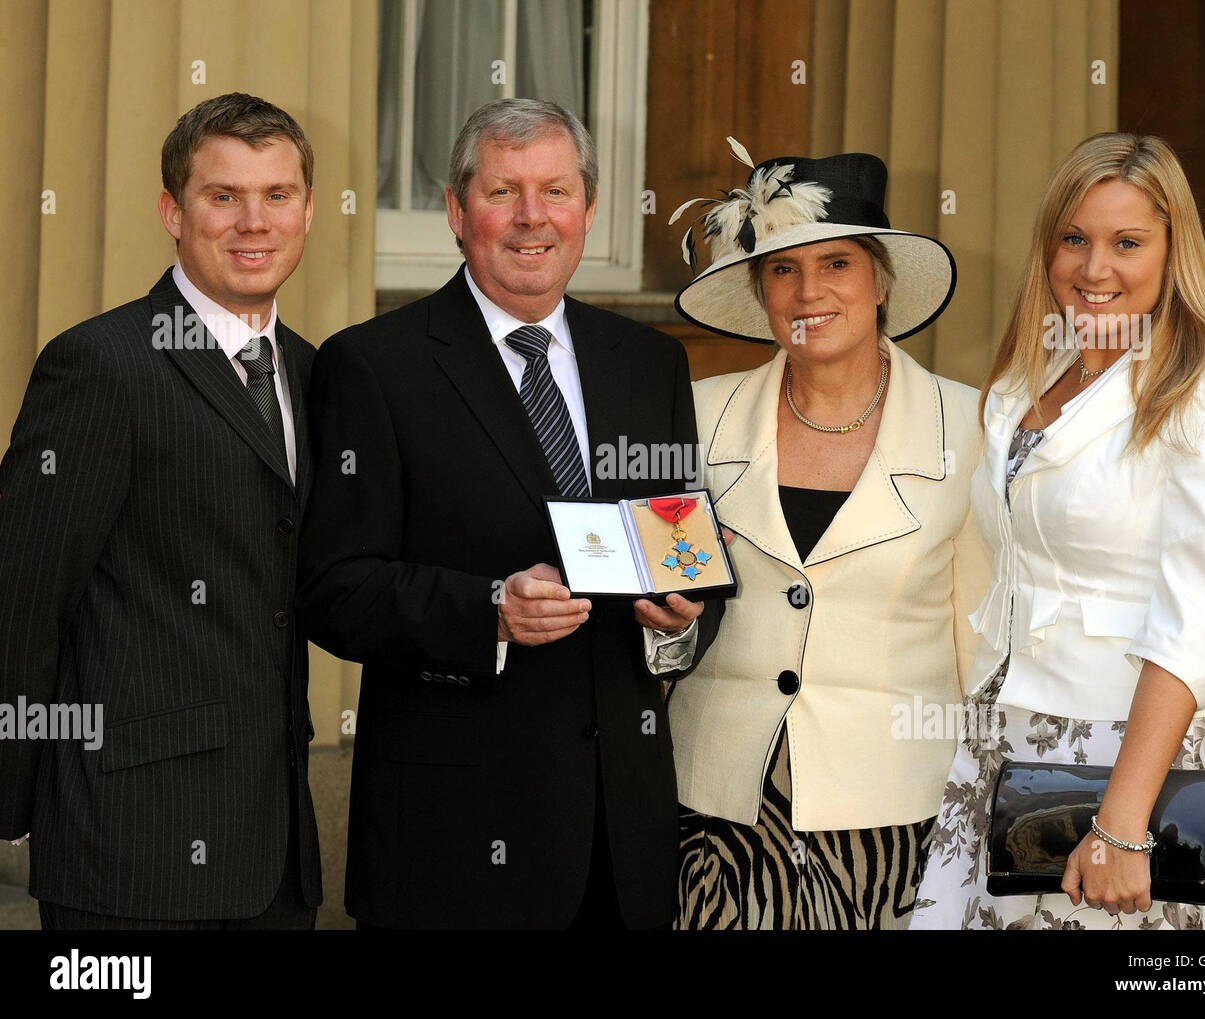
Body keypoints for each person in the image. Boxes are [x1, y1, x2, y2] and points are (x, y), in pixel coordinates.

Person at [296, 98, 721, 930]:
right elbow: (333, 587)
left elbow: (682, 555)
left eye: (556, 191)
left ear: (589, 211)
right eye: (503, 192)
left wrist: (676, 623)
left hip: (620, 842)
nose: (533, 218)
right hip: (451, 846)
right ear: (458, 211)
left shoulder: (650, 363)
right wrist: (489, 611)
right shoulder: (374, 365)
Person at [911, 132, 1205, 930]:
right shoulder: (1028, 378)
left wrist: (1122, 823)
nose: (1094, 269)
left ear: (1173, 249)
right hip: (1006, 743)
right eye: (1074, 239)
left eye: (1128, 243)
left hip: (1133, 764)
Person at [0, 93, 322, 929]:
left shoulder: (314, 374)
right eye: (224, 197)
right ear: (173, 212)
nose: (255, 223)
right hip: (129, 853)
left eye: (277, 195)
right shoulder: (100, 366)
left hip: (275, 855)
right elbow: (21, 600)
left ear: (308, 209)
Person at [668, 145, 989, 928]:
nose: (809, 291)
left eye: (837, 264)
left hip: (893, 822)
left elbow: (983, 649)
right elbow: (667, 616)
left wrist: (987, 814)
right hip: (716, 819)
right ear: (760, 289)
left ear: (880, 282)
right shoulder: (694, 416)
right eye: (782, 270)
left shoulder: (971, 425)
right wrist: (663, 626)